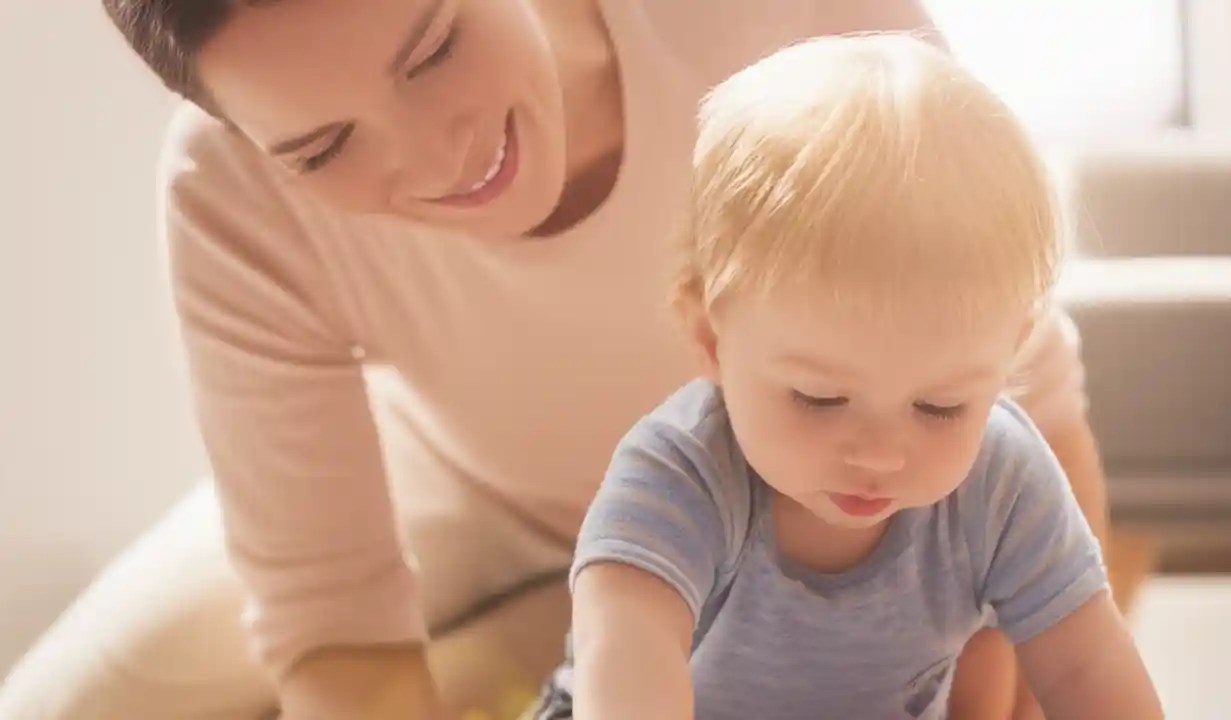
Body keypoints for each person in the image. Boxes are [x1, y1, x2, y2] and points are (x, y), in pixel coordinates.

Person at [0, 2, 1131, 719]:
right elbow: (333, 624)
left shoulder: (800, 27)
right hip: (451, 483)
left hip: (822, 506)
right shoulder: (228, 190)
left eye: (433, 45)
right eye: (323, 147)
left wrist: (988, 679)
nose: (436, 155)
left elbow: (1015, 403)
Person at [535, 33, 1162, 720]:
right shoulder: (678, 477)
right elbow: (627, 660)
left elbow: (1086, 663)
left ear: (1008, 357)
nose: (879, 454)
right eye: (819, 398)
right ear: (713, 339)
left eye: (940, 406)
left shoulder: (1004, 479)